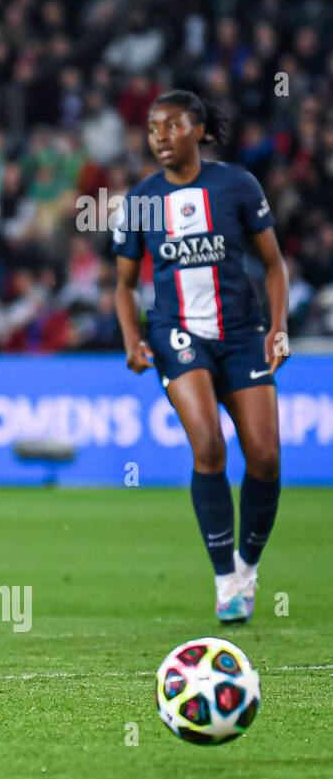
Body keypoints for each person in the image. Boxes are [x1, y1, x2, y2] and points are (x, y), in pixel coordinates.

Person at [112, 90, 288, 624]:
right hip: (176, 334)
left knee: (265, 459)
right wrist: (131, 339)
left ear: (198, 130)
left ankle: (247, 567)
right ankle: (224, 582)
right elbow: (123, 286)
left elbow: (274, 265)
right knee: (208, 446)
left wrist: (278, 329)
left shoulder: (236, 184)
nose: (160, 137)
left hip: (240, 333)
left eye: (171, 126)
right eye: (152, 129)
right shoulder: (141, 201)